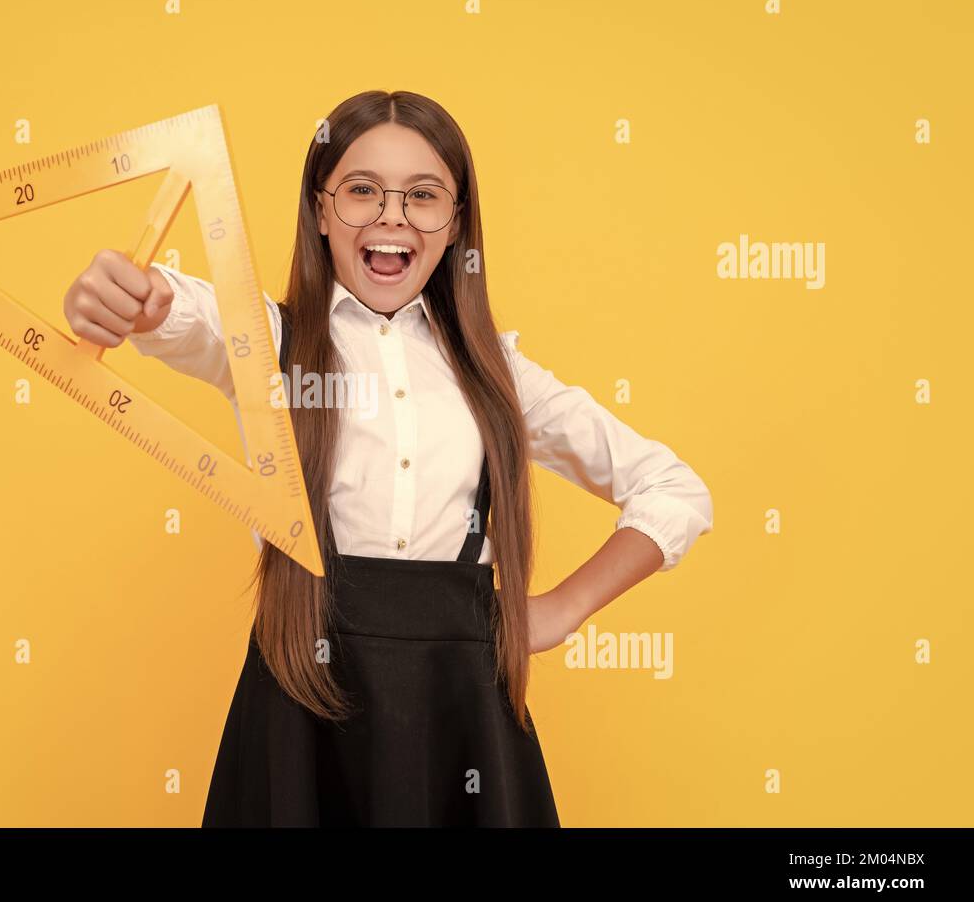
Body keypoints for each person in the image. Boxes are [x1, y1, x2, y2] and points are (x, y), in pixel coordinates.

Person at [62, 90, 714, 826]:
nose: (392, 217)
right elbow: (173, 309)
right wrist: (127, 295)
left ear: (456, 222)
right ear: (320, 209)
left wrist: (562, 610)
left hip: (461, 714)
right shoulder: (264, 343)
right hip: (298, 706)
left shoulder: (499, 375)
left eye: (423, 196)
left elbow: (674, 490)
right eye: (362, 191)